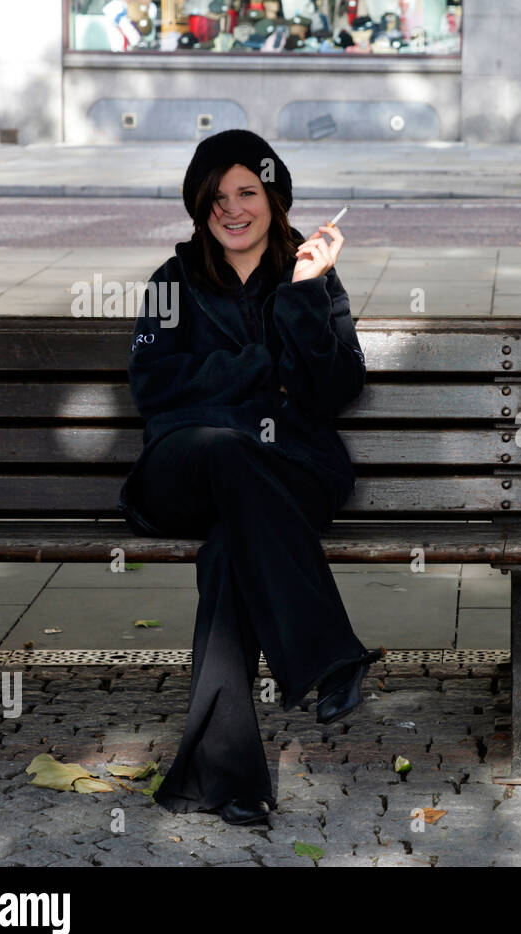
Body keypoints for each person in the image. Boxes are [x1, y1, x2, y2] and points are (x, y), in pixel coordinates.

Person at [116, 128, 382, 827]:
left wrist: (302, 296)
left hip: (287, 475)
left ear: (275, 199)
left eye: (248, 193)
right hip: (184, 470)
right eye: (217, 197)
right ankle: (327, 655)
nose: (232, 209)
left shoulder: (310, 278)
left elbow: (332, 392)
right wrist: (265, 380)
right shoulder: (172, 285)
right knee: (227, 449)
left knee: (234, 546)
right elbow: (159, 388)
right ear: (198, 206)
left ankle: (227, 781)